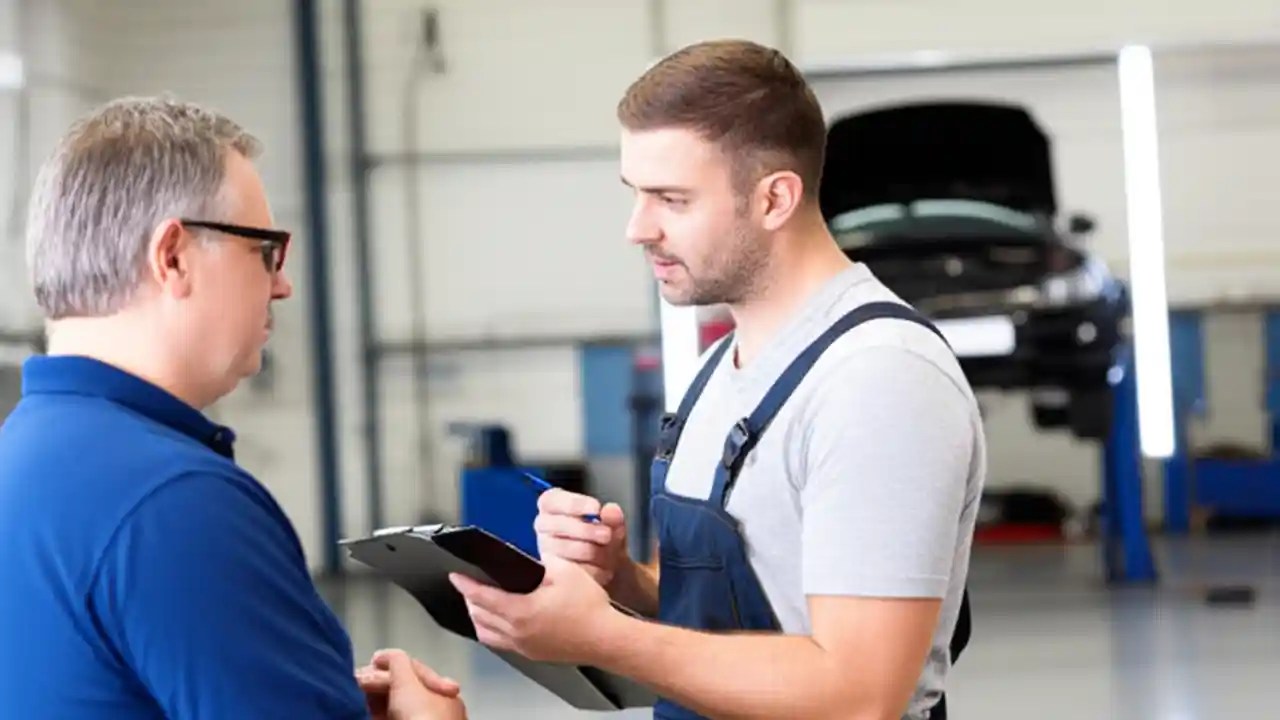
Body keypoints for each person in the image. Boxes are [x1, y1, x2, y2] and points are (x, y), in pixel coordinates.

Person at [448, 39, 985, 720]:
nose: (637, 229)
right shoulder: (719, 369)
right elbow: (731, 605)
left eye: (671, 198)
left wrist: (604, 635)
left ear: (774, 199)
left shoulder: (878, 380)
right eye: (636, 194)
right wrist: (622, 580)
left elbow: (859, 694)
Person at [0, 96, 465, 720]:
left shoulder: (25, 457)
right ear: (173, 257)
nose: (282, 283)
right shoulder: (174, 500)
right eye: (264, 249)